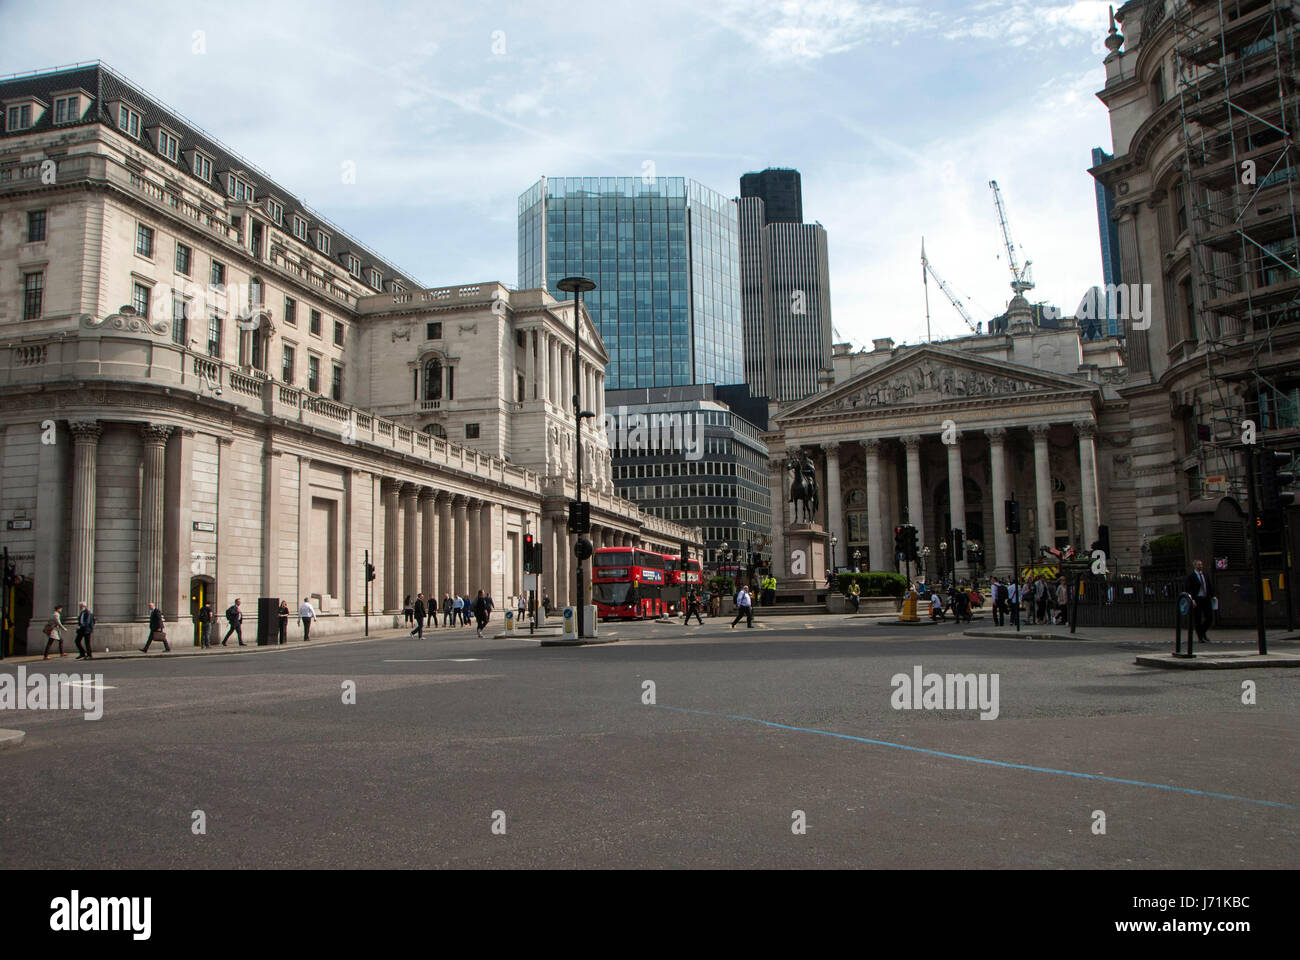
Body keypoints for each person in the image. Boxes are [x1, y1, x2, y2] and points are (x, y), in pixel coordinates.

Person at [1185, 559, 1215, 643]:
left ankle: (1202, 631)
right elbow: (1189, 589)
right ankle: (1200, 636)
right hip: (1197, 599)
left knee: (1209, 617)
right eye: (1198, 565)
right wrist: (1192, 599)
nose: (1200, 566)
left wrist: (1213, 596)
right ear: (1194, 566)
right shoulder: (1191, 577)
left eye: (1201, 564)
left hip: (1205, 598)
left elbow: (1209, 585)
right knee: (1197, 618)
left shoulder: (1205, 575)